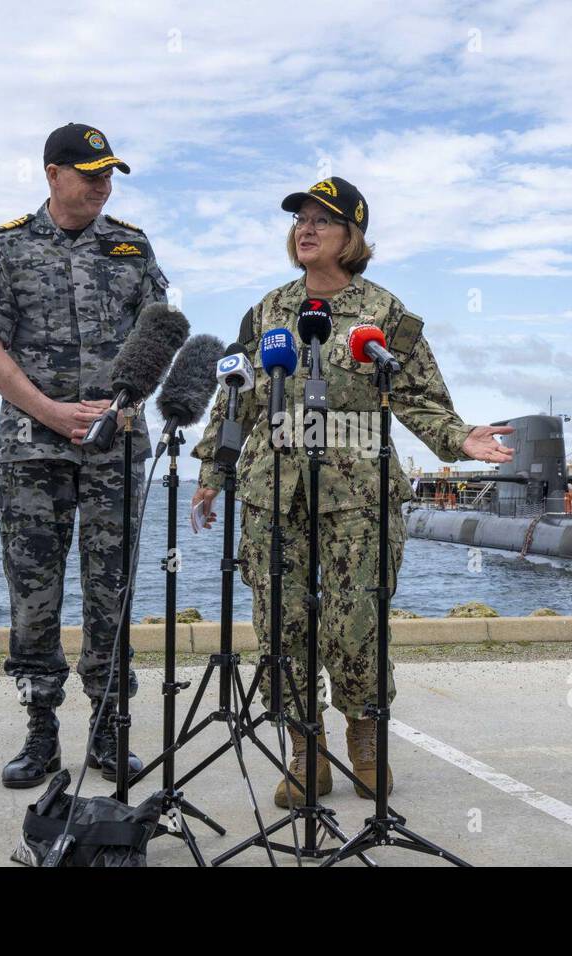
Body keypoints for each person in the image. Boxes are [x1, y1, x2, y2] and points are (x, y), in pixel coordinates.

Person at [190, 177, 513, 808]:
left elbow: (420, 399)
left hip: (358, 497)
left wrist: (460, 437)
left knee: (356, 623)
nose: (306, 229)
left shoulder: (384, 314)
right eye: (300, 220)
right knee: (280, 624)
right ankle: (305, 751)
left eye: (322, 220)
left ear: (352, 236)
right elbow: (239, 399)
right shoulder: (268, 311)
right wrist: (212, 470)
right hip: (273, 492)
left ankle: (365, 741)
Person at [0, 123, 169, 788]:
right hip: (32, 451)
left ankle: (109, 729)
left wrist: (124, 402)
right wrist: (51, 412)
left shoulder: (131, 245)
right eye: (91, 174)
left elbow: (160, 334)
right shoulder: (10, 244)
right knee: (34, 597)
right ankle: (40, 732)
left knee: (113, 594)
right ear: (53, 174)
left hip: (115, 448)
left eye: (109, 175)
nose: (103, 186)